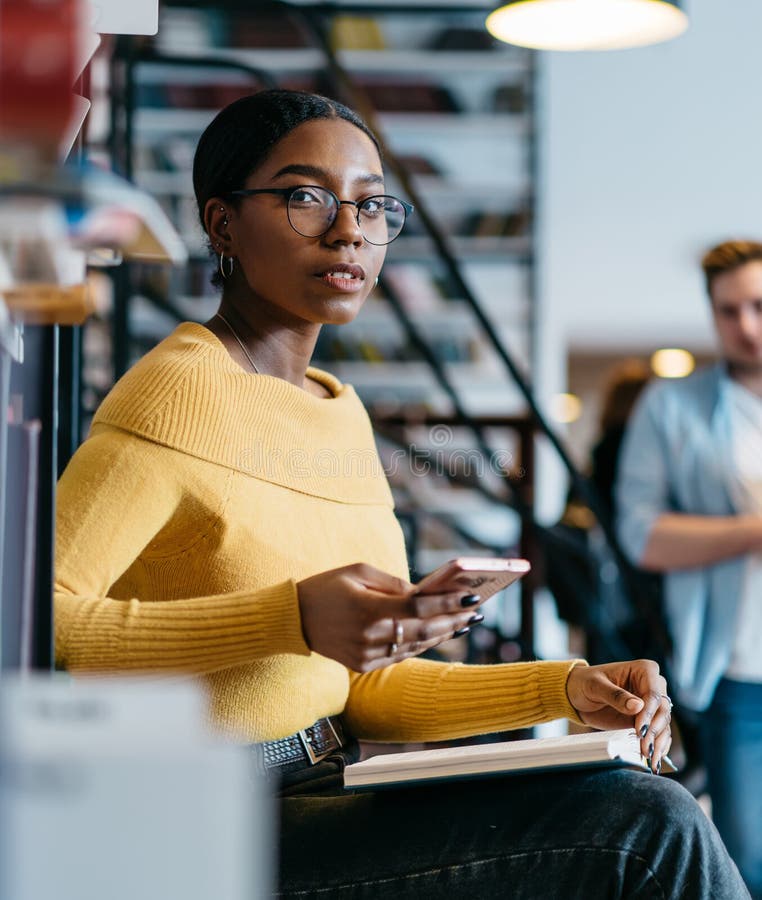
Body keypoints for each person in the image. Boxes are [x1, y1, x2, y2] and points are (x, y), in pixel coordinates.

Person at [54, 90, 747, 899]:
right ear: (223, 224)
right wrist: (292, 615)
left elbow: (370, 689)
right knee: (646, 831)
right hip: (198, 817)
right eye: (305, 197)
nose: (349, 229)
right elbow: (45, 624)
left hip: (326, 776)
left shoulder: (337, 412)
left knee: (649, 804)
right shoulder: (176, 393)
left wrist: (564, 685)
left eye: (372, 204)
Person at [617, 239, 762, 899]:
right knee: (745, 864)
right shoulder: (672, 408)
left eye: (759, 306)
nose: (747, 327)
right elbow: (641, 534)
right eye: (729, 311)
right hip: (738, 672)